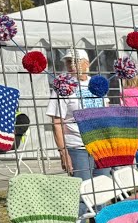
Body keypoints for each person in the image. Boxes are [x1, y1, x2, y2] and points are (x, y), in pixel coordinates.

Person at [47, 49, 110, 179]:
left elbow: (107, 114)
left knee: (104, 189)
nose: (71, 65)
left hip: (101, 145)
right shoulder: (63, 87)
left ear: (87, 64)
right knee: (83, 191)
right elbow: (57, 123)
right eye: (68, 62)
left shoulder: (97, 84)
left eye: (75, 61)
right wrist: (63, 153)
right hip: (77, 147)